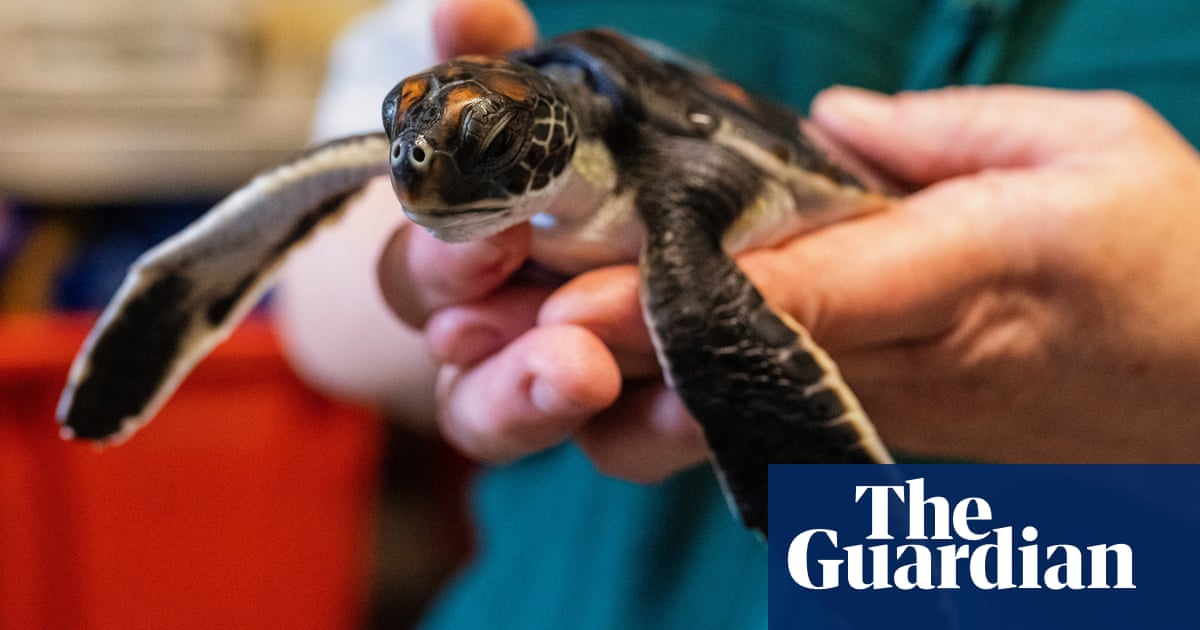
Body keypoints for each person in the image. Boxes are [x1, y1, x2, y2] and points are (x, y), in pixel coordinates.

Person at [275, 0, 1200, 627]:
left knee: (702, 314)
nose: (423, 172)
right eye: (412, 144)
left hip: (1101, 577)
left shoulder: (674, 205)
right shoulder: (474, 138)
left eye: (481, 148)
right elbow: (326, 277)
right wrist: (439, 294)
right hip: (572, 592)